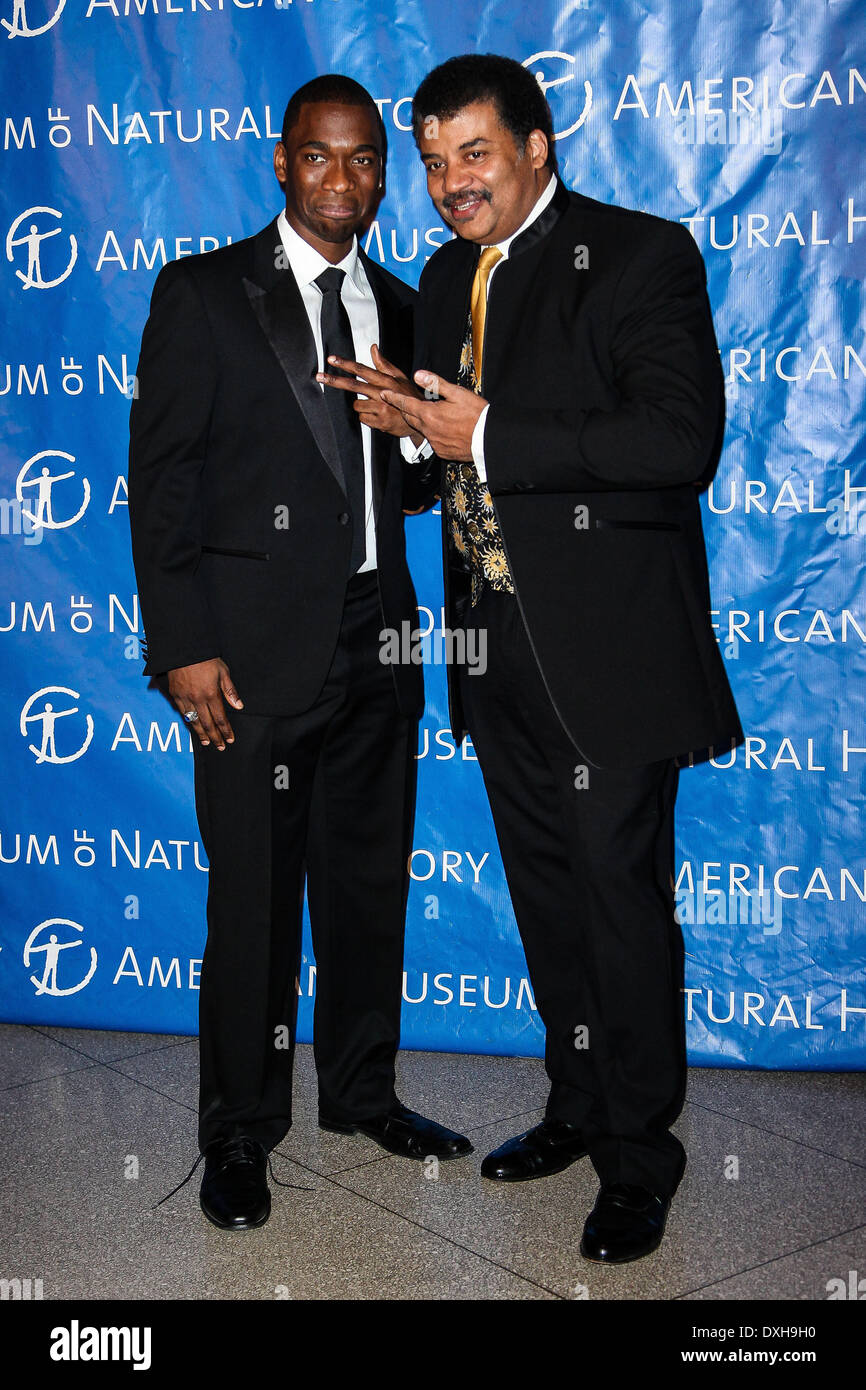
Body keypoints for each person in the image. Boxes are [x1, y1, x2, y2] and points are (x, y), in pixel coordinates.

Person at [318, 53, 742, 1264]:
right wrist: (409, 432)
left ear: (537, 146)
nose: (451, 182)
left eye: (476, 155)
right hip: (491, 648)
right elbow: (445, 460)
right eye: (436, 159)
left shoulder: (641, 253)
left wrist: (483, 430)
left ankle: (637, 1158)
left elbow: (677, 439)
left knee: (618, 909)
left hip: (607, 658)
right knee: (550, 903)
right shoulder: (448, 273)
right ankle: (573, 1105)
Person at [128, 74, 471, 1232]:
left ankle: (362, 1094)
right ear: (281, 163)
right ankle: (237, 1131)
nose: (344, 180)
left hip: (379, 640)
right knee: (255, 905)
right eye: (320, 158)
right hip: (250, 660)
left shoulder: (405, 302)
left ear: (383, 173)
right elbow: (164, 483)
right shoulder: (206, 292)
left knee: (368, 887)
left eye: (365, 159)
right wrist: (180, 646)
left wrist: (413, 433)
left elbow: (425, 480)